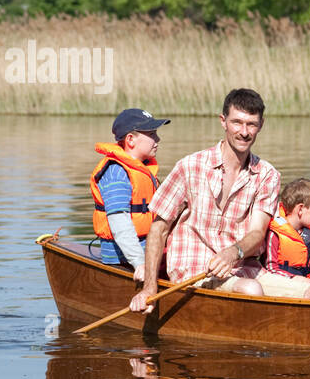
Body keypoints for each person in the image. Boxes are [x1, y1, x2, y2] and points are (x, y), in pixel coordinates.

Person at [129, 88, 294, 313]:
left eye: (251, 124)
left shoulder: (267, 175)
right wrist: (149, 288)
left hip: (244, 268)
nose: (244, 132)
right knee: (251, 290)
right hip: (193, 271)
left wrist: (233, 252)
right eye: (237, 122)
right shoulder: (190, 166)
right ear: (223, 121)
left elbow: (257, 234)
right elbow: (159, 229)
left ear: (261, 125)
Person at [90, 108, 170, 279]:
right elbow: (119, 223)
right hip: (124, 260)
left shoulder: (144, 168)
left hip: (148, 249)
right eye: (152, 134)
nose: (158, 139)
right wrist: (140, 263)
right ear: (131, 140)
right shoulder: (116, 173)